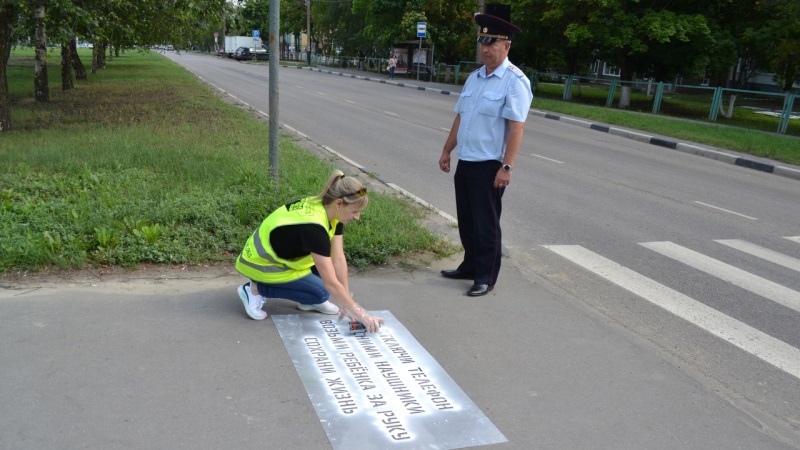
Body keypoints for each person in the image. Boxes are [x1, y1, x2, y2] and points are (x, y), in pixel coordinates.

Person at [437, 13, 533, 297]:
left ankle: (486, 276)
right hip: (466, 161)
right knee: (466, 220)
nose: (485, 49)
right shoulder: (474, 78)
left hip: (489, 165)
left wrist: (507, 167)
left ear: (506, 47)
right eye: (482, 42)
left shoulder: (515, 82)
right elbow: (461, 118)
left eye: (492, 43)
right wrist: (447, 149)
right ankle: (469, 266)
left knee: (486, 224)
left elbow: (517, 128)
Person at [235, 170, 384, 333]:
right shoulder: (314, 227)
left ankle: (306, 298)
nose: (357, 217)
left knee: (332, 289)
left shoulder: (331, 211)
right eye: (355, 211)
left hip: (287, 258)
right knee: (322, 292)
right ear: (339, 203)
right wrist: (361, 313)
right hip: (262, 264)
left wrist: (347, 301)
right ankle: (254, 290)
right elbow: (331, 283)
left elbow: (338, 259)